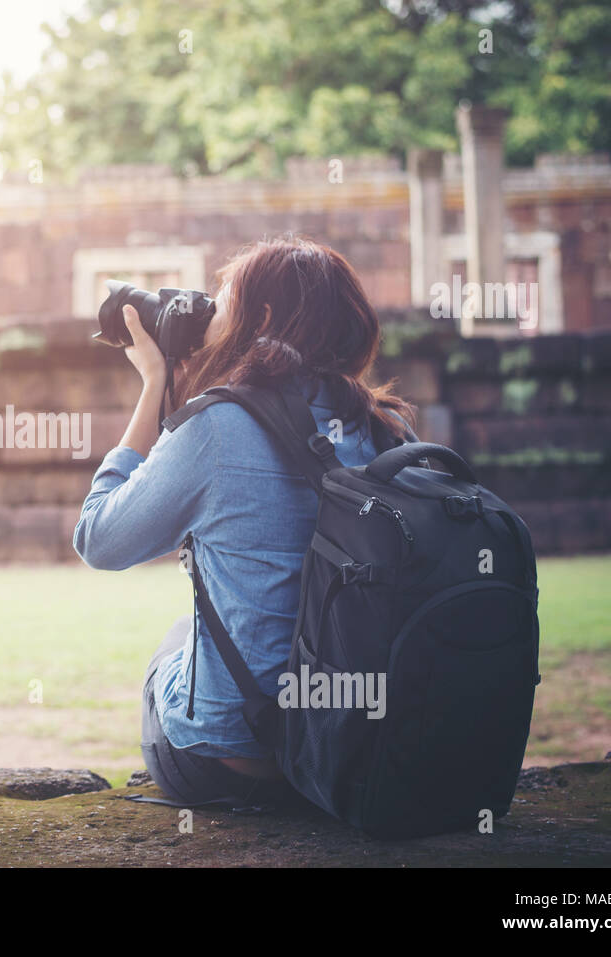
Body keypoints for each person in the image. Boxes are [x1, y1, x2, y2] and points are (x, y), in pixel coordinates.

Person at [73, 237, 417, 806]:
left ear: (258, 318)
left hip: (235, 760)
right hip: (355, 748)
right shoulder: (388, 430)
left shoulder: (217, 426)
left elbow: (99, 539)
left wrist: (155, 384)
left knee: (180, 637)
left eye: (222, 298)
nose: (209, 310)